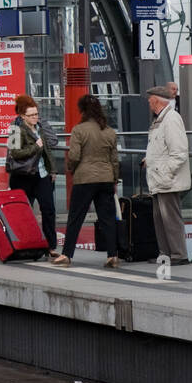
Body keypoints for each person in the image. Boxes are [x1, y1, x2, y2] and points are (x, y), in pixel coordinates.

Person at [56, 94, 120, 268]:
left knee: (76, 217)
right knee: (107, 218)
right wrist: (114, 177)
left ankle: (67, 254)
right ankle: (112, 254)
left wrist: (70, 167)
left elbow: (75, 155)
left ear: (82, 110)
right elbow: (114, 159)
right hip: (106, 178)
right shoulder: (109, 131)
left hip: (85, 179)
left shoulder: (79, 130)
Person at [144, 84, 191, 265]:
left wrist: (165, 171)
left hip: (166, 179)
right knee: (160, 219)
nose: (148, 102)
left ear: (156, 99)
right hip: (158, 179)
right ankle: (165, 254)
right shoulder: (160, 120)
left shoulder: (171, 119)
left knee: (170, 219)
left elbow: (179, 152)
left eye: (150, 99)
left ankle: (179, 254)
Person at [6, 95, 58, 253]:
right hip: (23, 176)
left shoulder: (40, 127)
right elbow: (14, 153)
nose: (35, 117)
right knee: (23, 212)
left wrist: (53, 170)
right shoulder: (15, 129)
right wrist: (35, 146)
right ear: (22, 116)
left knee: (48, 209)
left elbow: (48, 149)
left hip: (42, 175)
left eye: (36, 114)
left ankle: (50, 245)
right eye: (31, 115)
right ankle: (22, 243)